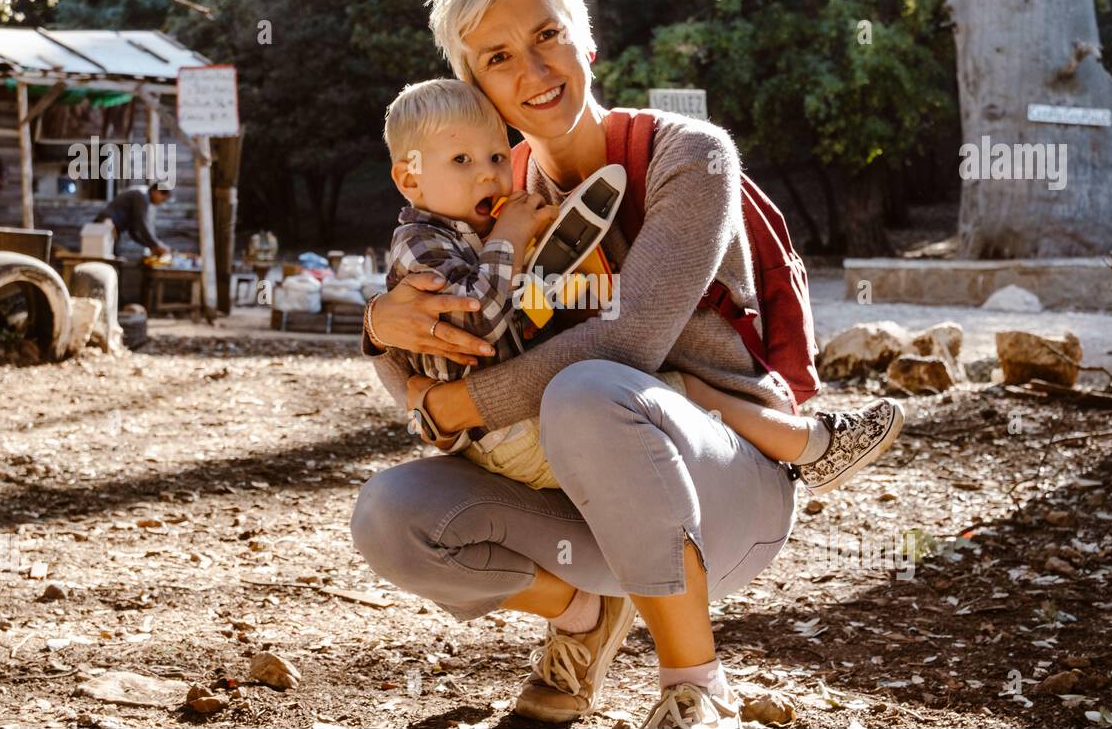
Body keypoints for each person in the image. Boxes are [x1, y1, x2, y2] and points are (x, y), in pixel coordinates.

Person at [352, 0, 901, 729]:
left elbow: (631, 342)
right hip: (581, 511)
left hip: (726, 501)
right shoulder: (491, 199)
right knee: (391, 515)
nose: (533, 73)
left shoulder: (688, 156)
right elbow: (435, 334)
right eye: (499, 57)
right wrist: (379, 331)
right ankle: (583, 614)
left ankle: (696, 687)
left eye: (547, 36)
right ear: (475, 86)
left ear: (587, 39)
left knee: (589, 388)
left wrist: (457, 408)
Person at [379, 76, 903, 495]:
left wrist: (548, 274)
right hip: (508, 435)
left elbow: (548, 317)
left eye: (496, 157)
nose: (489, 177)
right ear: (410, 179)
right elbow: (478, 316)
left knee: (644, 384)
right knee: (665, 390)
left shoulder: (478, 233)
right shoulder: (426, 245)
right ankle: (809, 445)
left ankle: (598, 598)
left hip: (503, 426)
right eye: (462, 161)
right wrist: (510, 242)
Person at [95, 182, 172, 257]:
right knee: (105, 257)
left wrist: (151, 246)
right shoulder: (142, 195)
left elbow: (134, 231)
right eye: (162, 200)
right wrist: (157, 244)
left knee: (114, 256)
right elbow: (142, 224)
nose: (161, 203)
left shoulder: (144, 198)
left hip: (114, 229)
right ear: (156, 192)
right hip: (106, 225)